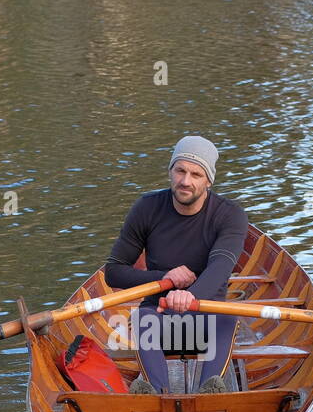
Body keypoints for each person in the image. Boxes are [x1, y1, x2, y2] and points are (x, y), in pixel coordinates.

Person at [103, 135, 249, 394]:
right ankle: (157, 394)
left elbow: (221, 265)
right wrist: (165, 278)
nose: (185, 181)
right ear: (170, 171)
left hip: (208, 320)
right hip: (158, 319)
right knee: (141, 318)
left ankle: (210, 392)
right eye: (180, 170)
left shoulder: (230, 215)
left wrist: (190, 297)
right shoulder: (147, 208)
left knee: (228, 316)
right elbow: (114, 272)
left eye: (196, 174)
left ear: (208, 181)